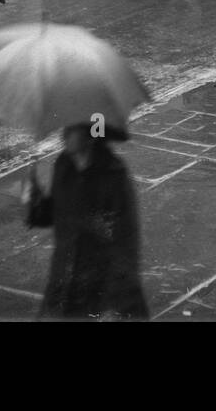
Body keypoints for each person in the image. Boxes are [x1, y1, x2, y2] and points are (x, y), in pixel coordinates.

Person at [25, 124, 149, 320]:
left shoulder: (113, 175)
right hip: (64, 283)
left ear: (90, 135)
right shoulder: (64, 165)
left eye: (72, 130)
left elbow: (125, 242)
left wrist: (114, 303)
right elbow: (54, 215)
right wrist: (36, 198)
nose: (64, 135)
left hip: (101, 286)